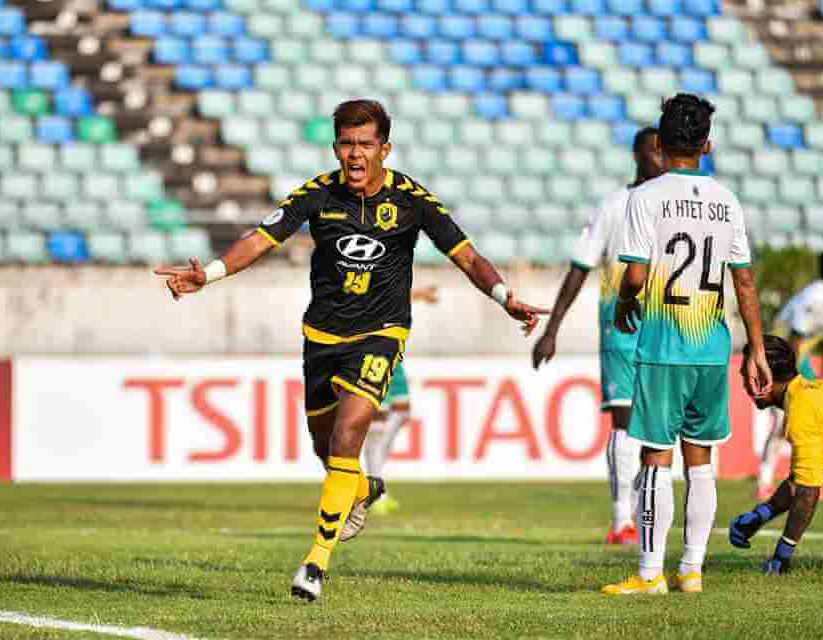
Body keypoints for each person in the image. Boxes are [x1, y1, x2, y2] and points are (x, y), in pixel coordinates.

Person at [155, 100, 547, 602]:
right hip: (321, 338)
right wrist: (207, 275)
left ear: (385, 148)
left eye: (365, 144)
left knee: (347, 434)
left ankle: (315, 564)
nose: (355, 155)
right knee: (326, 448)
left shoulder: (413, 200)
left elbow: (467, 256)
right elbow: (259, 239)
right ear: (336, 147)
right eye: (346, 144)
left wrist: (503, 296)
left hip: (380, 333)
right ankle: (360, 488)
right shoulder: (318, 195)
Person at [601, 94, 771, 595]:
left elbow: (633, 274)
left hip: (662, 347)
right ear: (707, 144)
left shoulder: (646, 197)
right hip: (712, 350)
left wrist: (624, 304)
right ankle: (692, 570)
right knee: (701, 462)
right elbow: (744, 284)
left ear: (660, 142)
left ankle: (651, 574)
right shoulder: (726, 200)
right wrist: (756, 350)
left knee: (656, 456)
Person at [532, 127, 663, 545]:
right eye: (651, 152)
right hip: (620, 323)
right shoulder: (615, 205)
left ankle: (648, 511)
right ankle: (622, 519)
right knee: (624, 418)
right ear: (636, 155)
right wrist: (552, 329)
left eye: (663, 151)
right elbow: (579, 268)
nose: (658, 159)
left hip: (665, 325)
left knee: (658, 424)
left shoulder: (673, 205)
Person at [729, 335, 823, 574]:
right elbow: (800, 481)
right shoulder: (803, 395)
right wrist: (761, 515)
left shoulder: (802, 407)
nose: (744, 384)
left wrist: (781, 556)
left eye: (747, 376)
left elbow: (808, 491)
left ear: (764, 377)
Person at [354, 285, 438, 524]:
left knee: (402, 412)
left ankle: (375, 473)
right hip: (373, 357)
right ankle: (374, 491)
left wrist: (420, 295)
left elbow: (392, 295)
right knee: (377, 428)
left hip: (394, 357)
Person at [756, 252, 823, 500]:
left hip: (802, 360)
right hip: (779, 358)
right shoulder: (817, 296)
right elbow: (795, 336)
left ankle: (818, 480)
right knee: (782, 423)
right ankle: (764, 480)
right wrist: (792, 380)